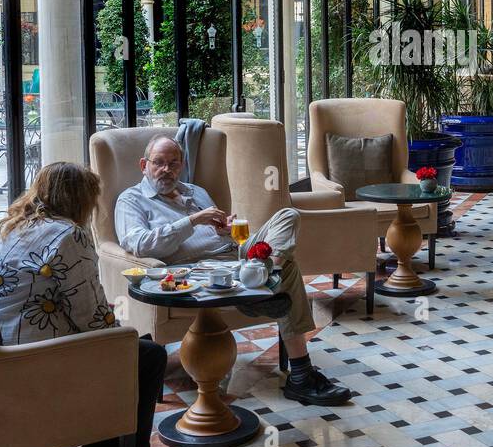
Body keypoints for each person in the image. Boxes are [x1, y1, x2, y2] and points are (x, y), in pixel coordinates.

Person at [114, 136, 351, 406]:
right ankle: (300, 371)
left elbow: (225, 235)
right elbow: (139, 243)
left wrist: (229, 231)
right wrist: (191, 221)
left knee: (288, 216)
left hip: (234, 256)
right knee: (289, 271)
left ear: (181, 166)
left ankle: (260, 274)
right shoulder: (131, 200)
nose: (166, 170)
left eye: (173, 163)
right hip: (196, 268)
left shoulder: (196, 191)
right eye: (158, 163)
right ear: (144, 164)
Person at [0, 162, 172, 447]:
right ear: (82, 200)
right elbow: (92, 318)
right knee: (149, 355)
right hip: (39, 357)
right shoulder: (69, 234)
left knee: (134, 346)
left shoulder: (13, 228)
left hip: (3, 350)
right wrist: (119, 332)